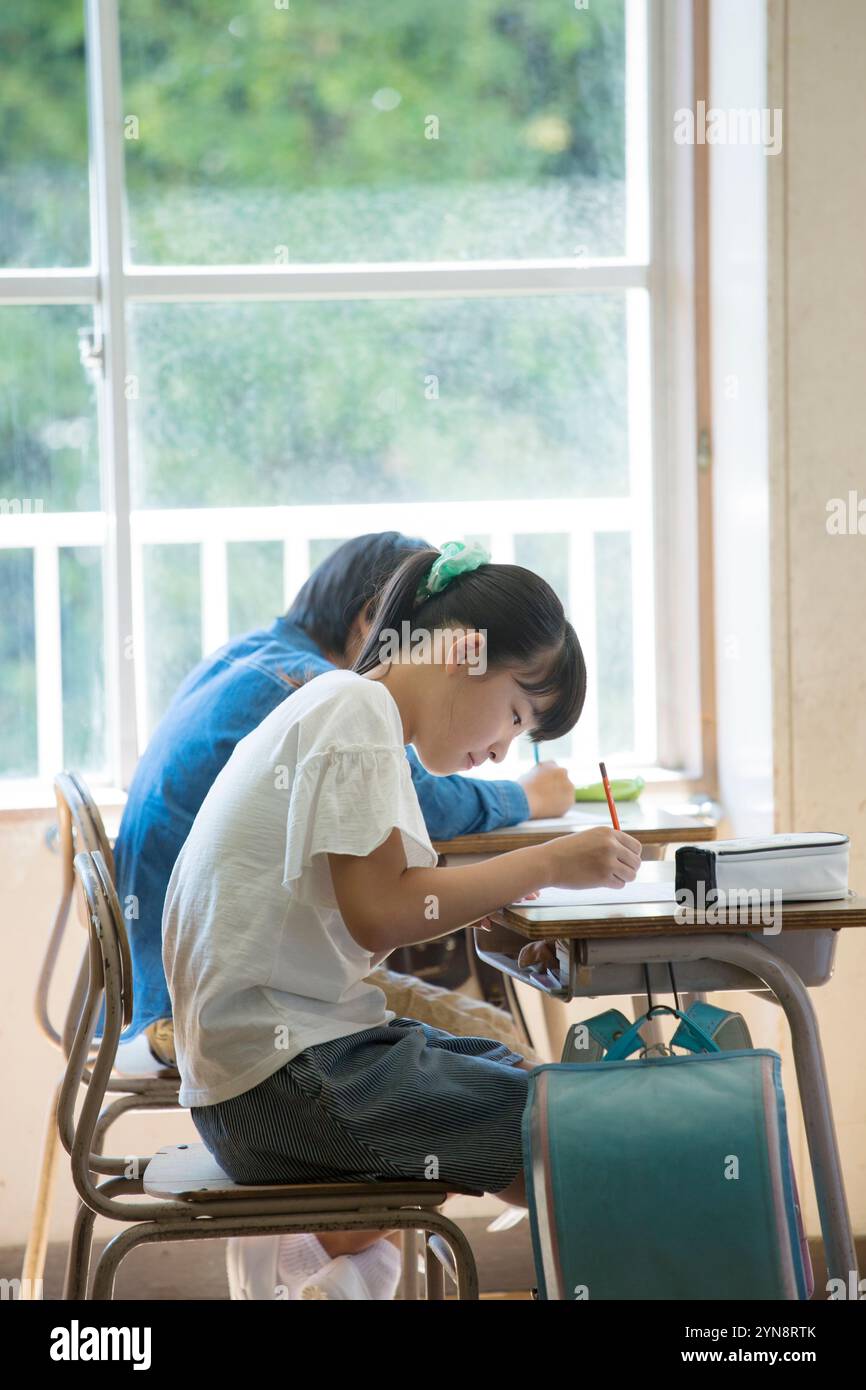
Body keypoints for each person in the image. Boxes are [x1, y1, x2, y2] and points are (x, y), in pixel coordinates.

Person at [163, 542, 642, 1298]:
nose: (500, 750)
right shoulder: (355, 712)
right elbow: (383, 911)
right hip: (282, 1084)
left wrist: (502, 886)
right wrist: (549, 862)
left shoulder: (349, 709)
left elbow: (388, 899)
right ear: (461, 651)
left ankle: (324, 1255)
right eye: (514, 714)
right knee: (565, 1130)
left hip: (266, 1075)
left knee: (514, 1076)